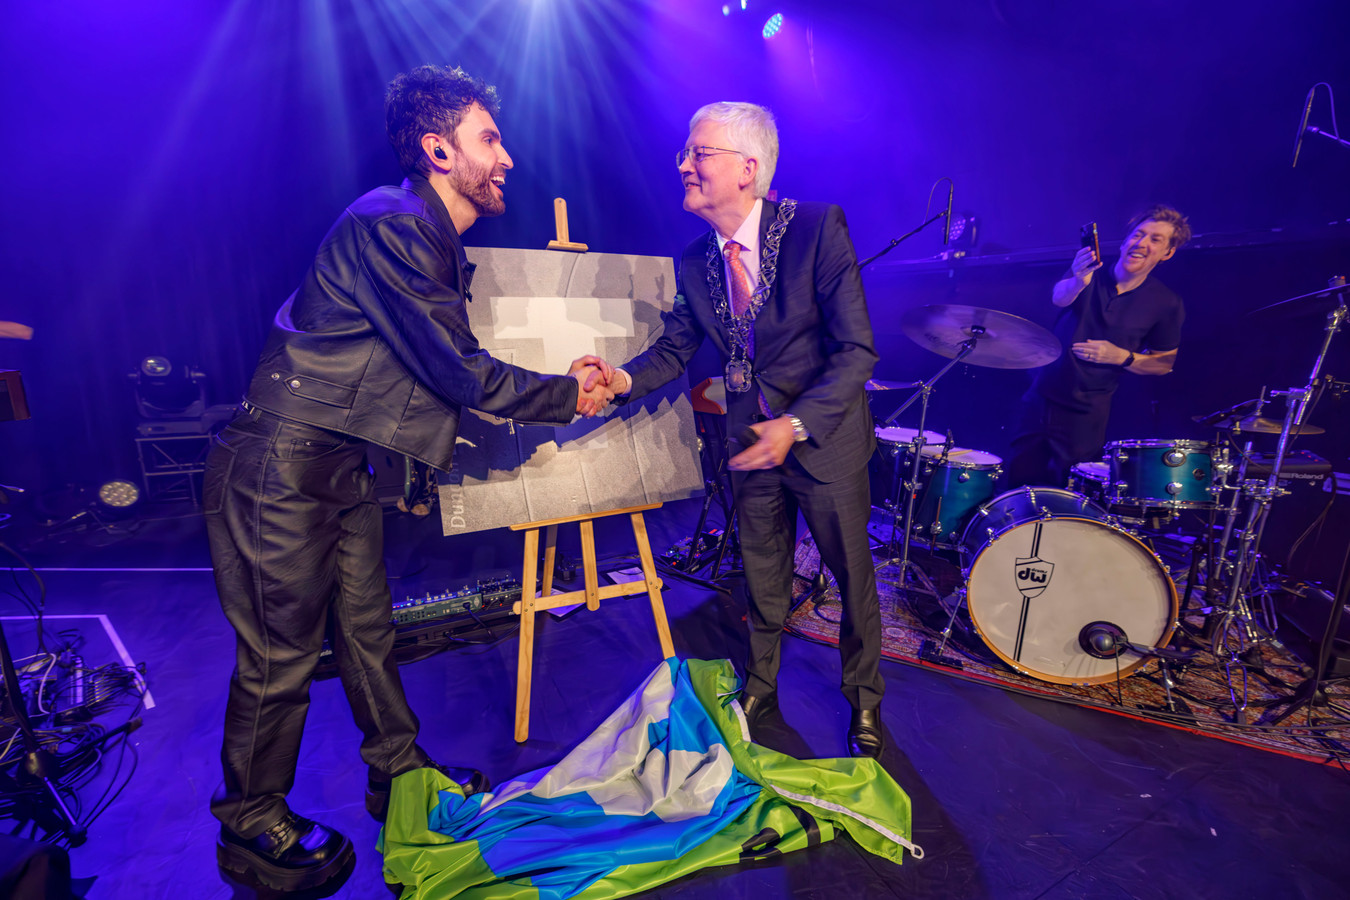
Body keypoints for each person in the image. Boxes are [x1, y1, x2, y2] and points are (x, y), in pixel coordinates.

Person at [205, 65, 611, 893]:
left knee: (367, 632)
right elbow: (458, 371)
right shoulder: (393, 224)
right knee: (281, 656)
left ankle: (397, 770)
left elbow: (422, 376)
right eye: (489, 138)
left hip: (335, 465)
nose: (507, 155)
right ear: (438, 149)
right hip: (280, 466)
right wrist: (568, 395)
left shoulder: (423, 234)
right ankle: (248, 821)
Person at [591, 102, 886, 759]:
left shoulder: (816, 228)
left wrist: (796, 424)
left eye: (699, 153)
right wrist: (619, 380)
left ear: (748, 169)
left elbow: (856, 352)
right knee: (760, 571)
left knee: (852, 578)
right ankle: (761, 686)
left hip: (825, 440)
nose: (684, 166)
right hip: (751, 444)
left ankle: (865, 699)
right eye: (685, 153)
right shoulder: (697, 260)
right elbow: (675, 348)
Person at [1006, 206, 1190, 489]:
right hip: (1041, 396)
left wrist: (1122, 357)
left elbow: (1164, 363)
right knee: (1017, 485)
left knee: (1068, 494)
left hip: (1086, 412)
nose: (1142, 243)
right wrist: (1078, 281)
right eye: (1138, 235)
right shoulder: (1090, 271)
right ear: (1125, 240)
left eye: (1155, 239)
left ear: (1167, 252)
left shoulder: (1166, 302)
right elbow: (1059, 298)